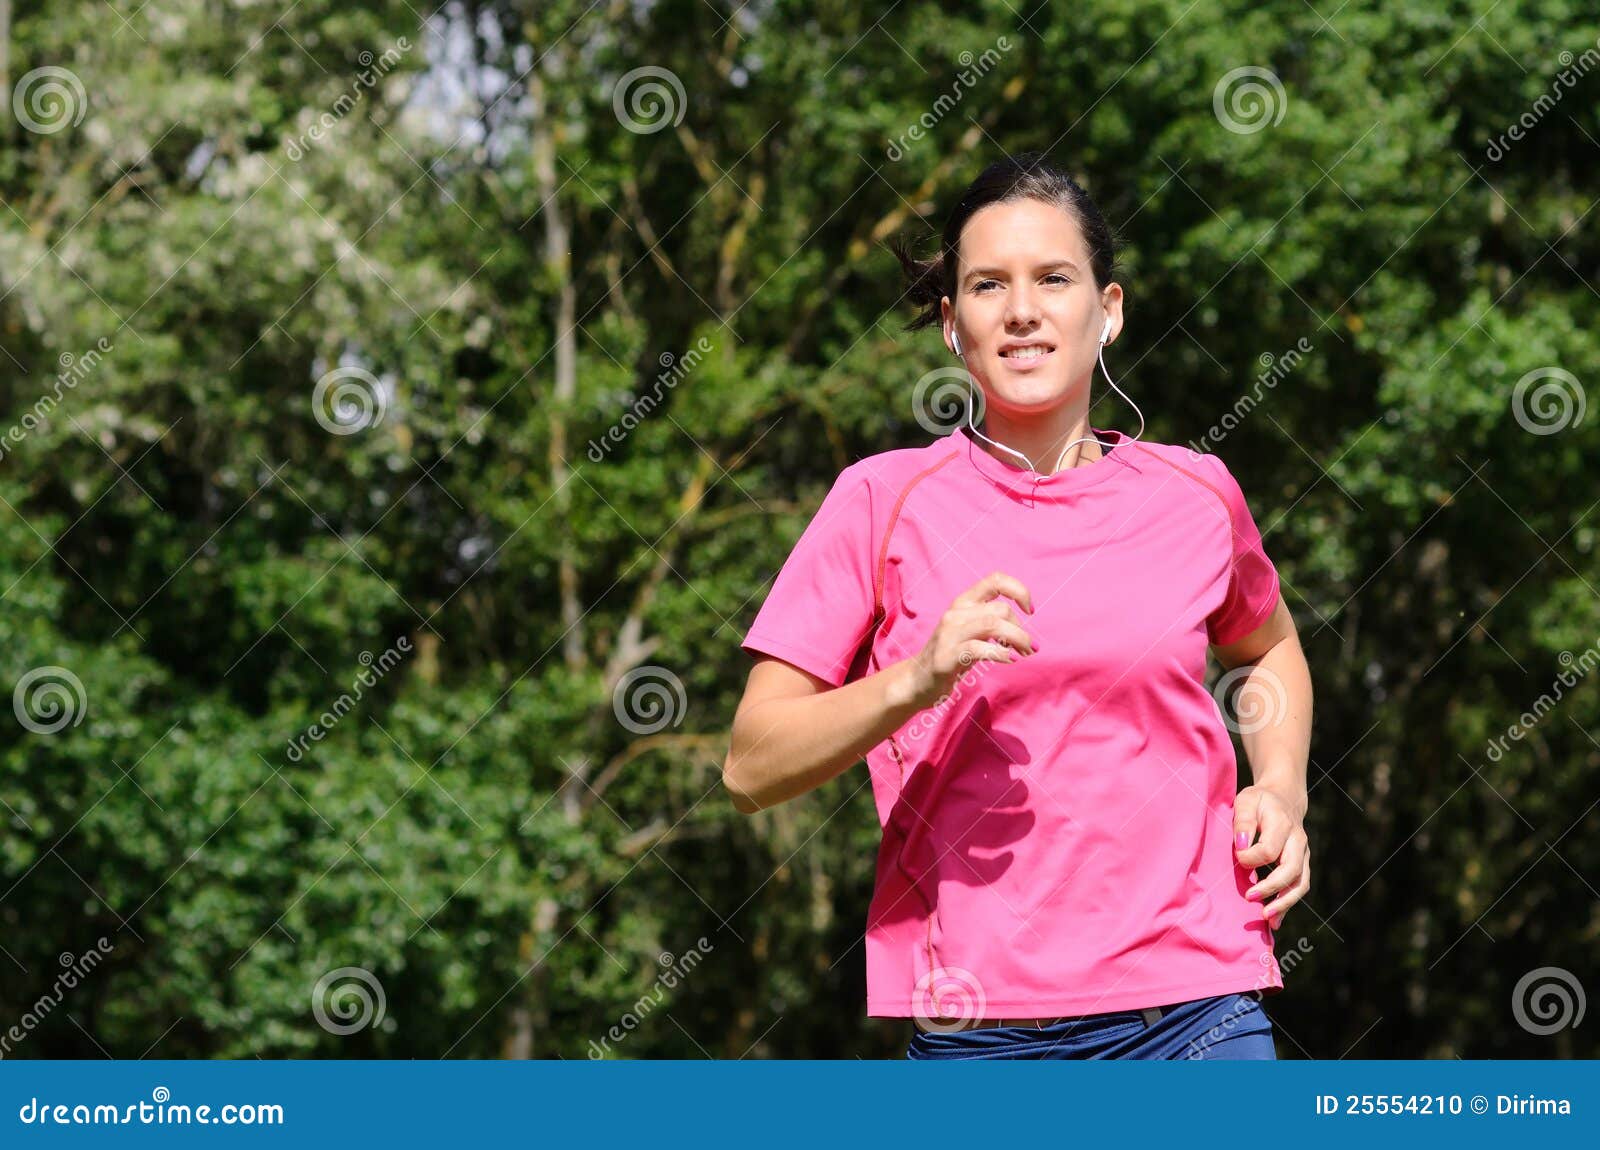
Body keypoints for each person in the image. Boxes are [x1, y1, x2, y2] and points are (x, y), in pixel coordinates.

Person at [723, 152, 1313, 1060]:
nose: (1024, 310)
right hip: (981, 1035)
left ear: (1106, 311)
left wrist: (1279, 784)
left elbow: (1266, 648)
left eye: (1053, 278)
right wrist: (912, 682)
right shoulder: (882, 502)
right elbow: (751, 765)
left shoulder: (1197, 493)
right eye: (989, 286)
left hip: (1199, 1012)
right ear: (954, 326)